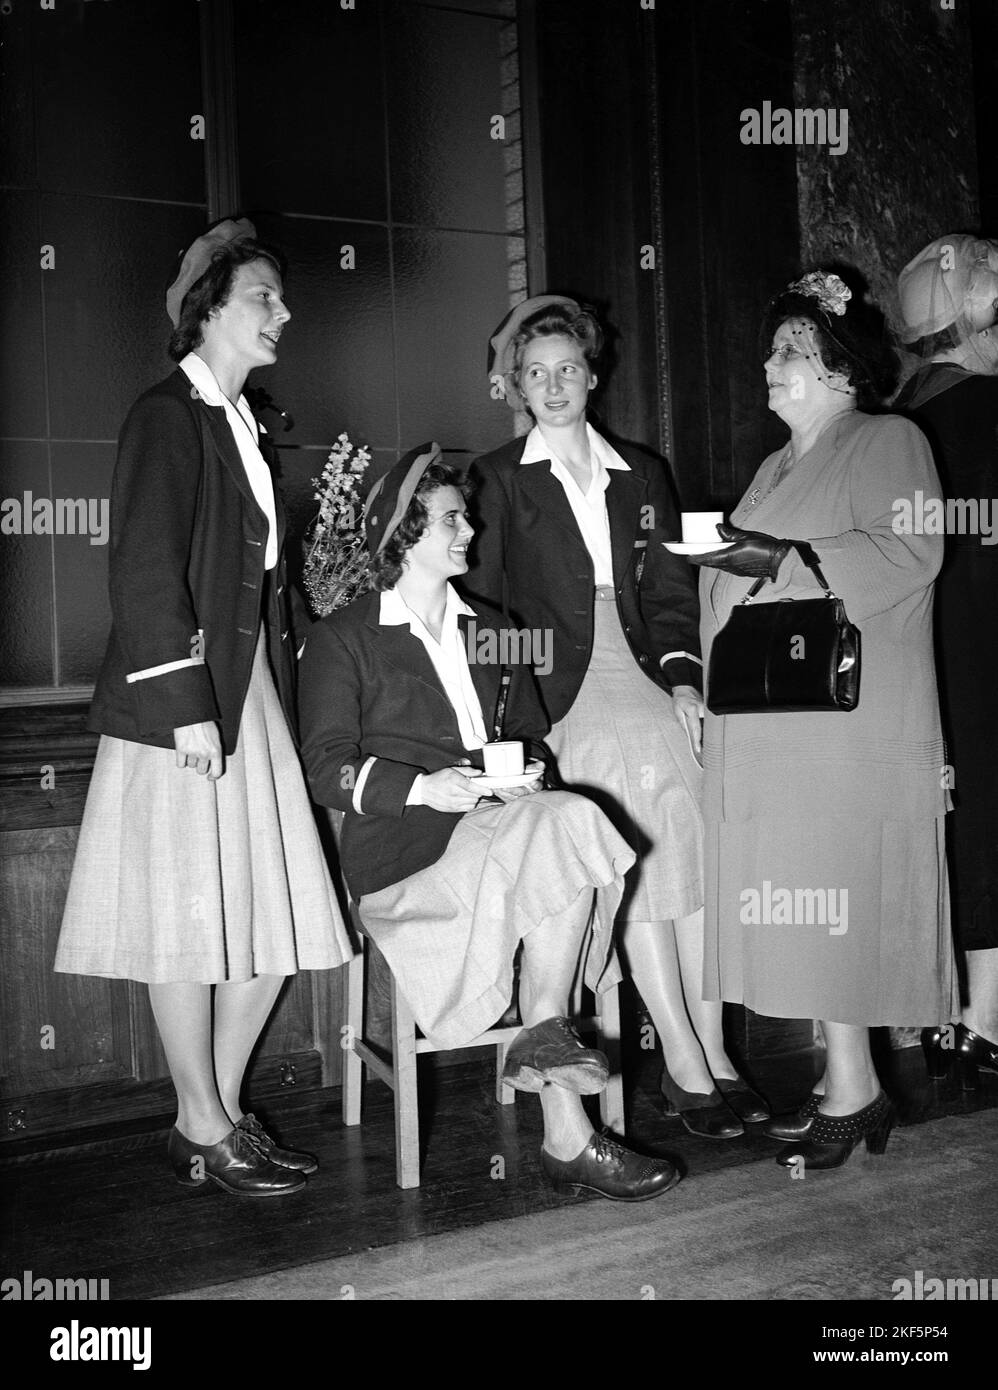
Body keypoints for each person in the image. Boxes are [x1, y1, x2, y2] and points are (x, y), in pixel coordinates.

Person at [55, 219, 353, 1197]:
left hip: (248, 697)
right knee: (186, 915)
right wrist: (185, 704)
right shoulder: (166, 416)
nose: (285, 313)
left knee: (275, 916)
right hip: (183, 699)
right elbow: (143, 569)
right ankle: (199, 1117)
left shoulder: (242, 424)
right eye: (265, 297)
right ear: (210, 307)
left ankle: (213, 1117)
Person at [297, 444, 680, 1201]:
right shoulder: (343, 636)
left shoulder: (496, 628)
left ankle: (557, 1092)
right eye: (450, 519)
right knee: (570, 829)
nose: (468, 528)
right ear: (404, 534)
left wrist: (528, 770)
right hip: (407, 852)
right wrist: (423, 789)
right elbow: (325, 765)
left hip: (504, 834)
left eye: (465, 515)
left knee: (563, 820)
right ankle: (556, 1077)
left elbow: (529, 732)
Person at [459, 295, 762, 1140]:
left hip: (644, 671)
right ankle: (685, 1059)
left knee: (689, 836)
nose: (552, 386)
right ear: (516, 385)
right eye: (534, 374)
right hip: (558, 688)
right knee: (631, 841)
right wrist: (513, 718)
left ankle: (716, 1053)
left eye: (566, 370)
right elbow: (481, 606)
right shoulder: (493, 477)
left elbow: (669, 595)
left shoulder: (643, 471)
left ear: (593, 378)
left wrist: (684, 684)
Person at [691, 268, 958, 1169]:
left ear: (842, 368)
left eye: (789, 351)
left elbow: (912, 550)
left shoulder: (887, 438)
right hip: (775, 726)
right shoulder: (773, 469)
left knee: (838, 900)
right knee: (811, 911)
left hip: (848, 728)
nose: (768, 365)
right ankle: (851, 1079)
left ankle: (855, 1086)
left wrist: (779, 555)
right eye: (772, 349)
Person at [894, 234, 998, 1088]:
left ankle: (952, 1016)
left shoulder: (899, 419)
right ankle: (983, 1021)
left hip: (924, 655)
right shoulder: (986, 411)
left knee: (958, 821)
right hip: (982, 649)